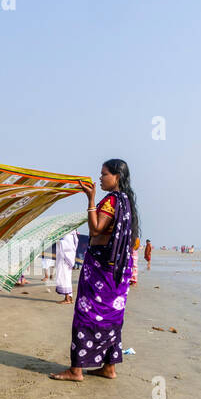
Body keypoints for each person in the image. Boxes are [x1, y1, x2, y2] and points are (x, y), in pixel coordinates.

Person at [50, 159, 138, 382]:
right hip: (117, 267)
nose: (100, 178)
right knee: (112, 316)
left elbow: (96, 227)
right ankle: (109, 368)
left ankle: (76, 370)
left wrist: (90, 200)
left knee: (85, 314)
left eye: (104, 174)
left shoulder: (111, 200)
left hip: (101, 268)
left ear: (116, 176)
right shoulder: (126, 201)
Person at [55, 229, 78, 303]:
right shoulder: (72, 234)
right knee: (67, 277)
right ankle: (69, 298)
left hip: (65, 258)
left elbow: (65, 247)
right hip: (68, 258)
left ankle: (67, 298)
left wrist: (58, 240)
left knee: (64, 277)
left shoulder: (67, 235)